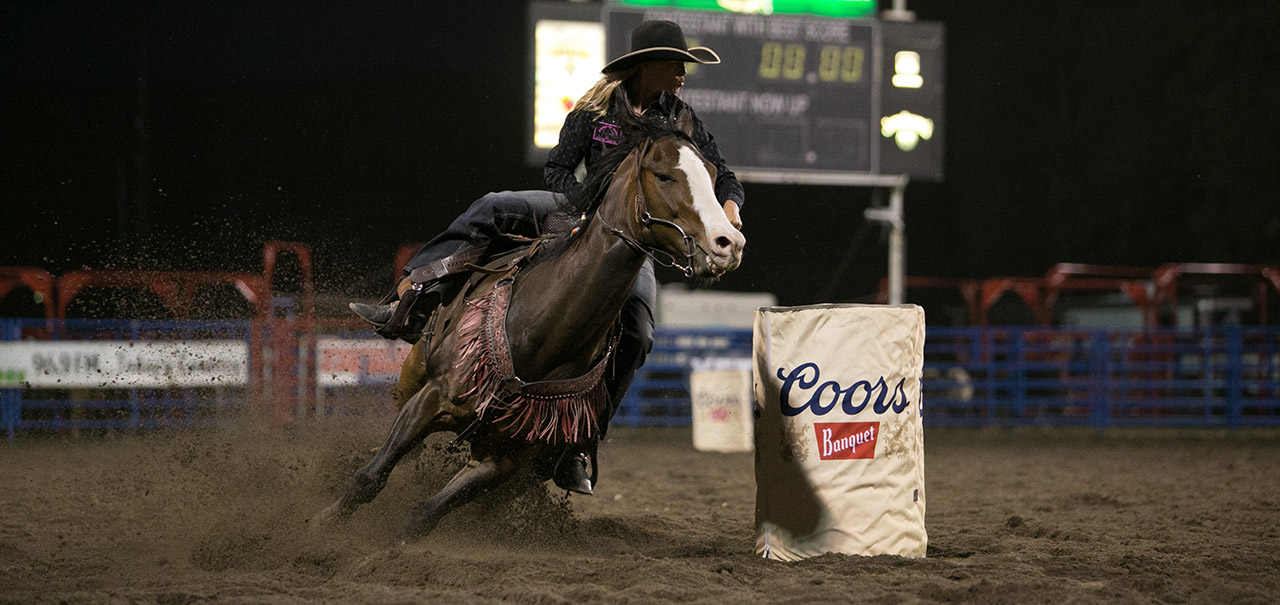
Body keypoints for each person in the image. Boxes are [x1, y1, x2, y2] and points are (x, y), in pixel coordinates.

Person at [350, 19, 744, 494]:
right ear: (646, 67)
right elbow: (557, 168)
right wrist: (582, 209)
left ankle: (580, 441)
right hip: (576, 213)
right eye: (674, 64)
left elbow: (722, 175)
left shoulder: (682, 122)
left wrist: (729, 207)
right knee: (495, 207)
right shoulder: (594, 112)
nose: (682, 73)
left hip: (635, 243)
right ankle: (411, 297)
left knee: (638, 333)